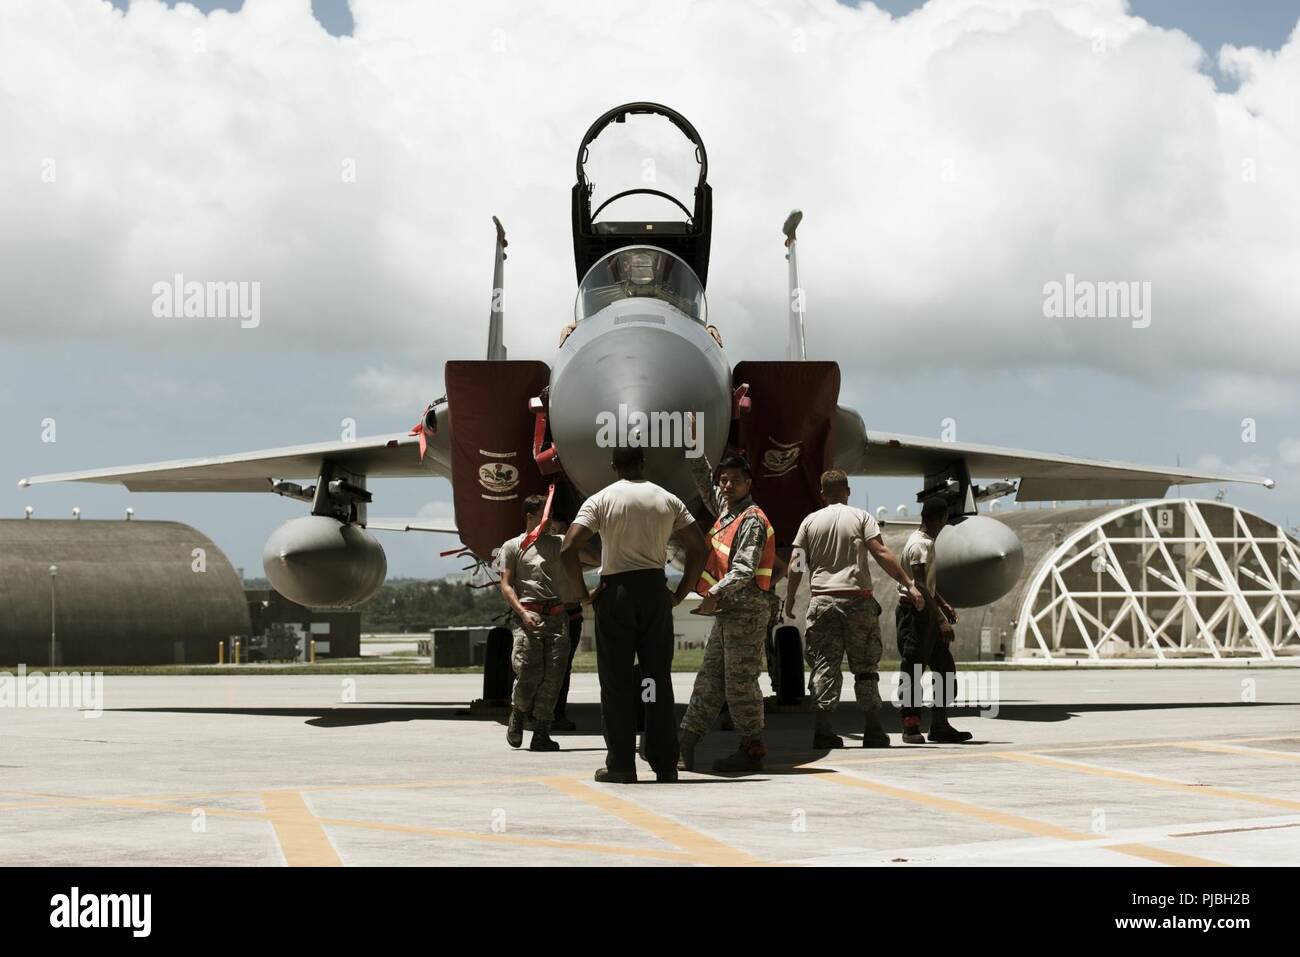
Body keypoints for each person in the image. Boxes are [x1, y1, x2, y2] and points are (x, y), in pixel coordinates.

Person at [561, 446, 709, 784]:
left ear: (613, 466)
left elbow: (569, 549)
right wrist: (679, 593)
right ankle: (664, 763)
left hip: (616, 592)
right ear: (644, 463)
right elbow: (699, 548)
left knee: (616, 682)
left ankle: (622, 764)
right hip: (655, 591)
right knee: (655, 679)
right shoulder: (667, 499)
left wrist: (583, 596)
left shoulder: (601, 500)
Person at [785, 470, 924, 749]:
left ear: (822, 493)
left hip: (823, 600)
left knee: (825, 666)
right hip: (857, 600)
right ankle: (873, 730)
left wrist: (790, 599)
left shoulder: (810, 522)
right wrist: (909, 583)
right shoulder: (862, 517)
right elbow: (881, 553)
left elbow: (795, 564)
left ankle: (823, 730)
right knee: (865, 667)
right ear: (847, 491)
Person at [677, 450, 777, 773]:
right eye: (725, 479)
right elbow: (705, 481)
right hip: (727, 612)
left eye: (735, 479)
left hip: (745, 614)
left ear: (749, 483)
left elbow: (744, 569)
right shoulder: (728, 511)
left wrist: (714, 594)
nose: (727, 484)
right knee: (710, 680)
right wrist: (692, 446)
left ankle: (752, 749)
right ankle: (685, 743)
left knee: (740, 682)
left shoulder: (751, 520)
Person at [496, 495, 572, 752]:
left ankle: (541, 732)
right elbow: (506, 585)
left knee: (554, 676)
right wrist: (522, 613)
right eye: (545, 515)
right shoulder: (512, 546)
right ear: (530, 516)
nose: (550, 521)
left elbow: (590, 551)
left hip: (558, 616)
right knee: (528, 671)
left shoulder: (558, 543)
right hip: (528, 615)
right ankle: (518, 714)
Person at [897, 497, 972, 744]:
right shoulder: (919, 545)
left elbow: (926, 585)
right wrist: (941, 620)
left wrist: (942, 604)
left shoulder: (925, 542)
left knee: (944, 667)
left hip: (926, 612)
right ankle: (910, 727)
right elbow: (918, 584)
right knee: (913, 669)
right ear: (940, 518)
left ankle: (940, 725)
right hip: (915, 615)